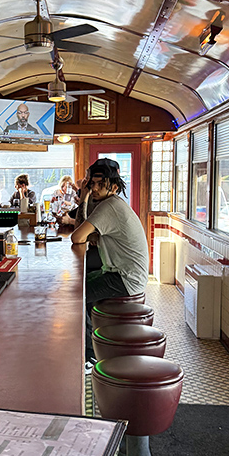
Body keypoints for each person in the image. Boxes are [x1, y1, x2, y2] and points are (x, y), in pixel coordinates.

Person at [71, 158, 149, 372]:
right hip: (120, 274)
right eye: (92, 183)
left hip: (125, 278)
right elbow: (84, 234)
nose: (94, 188)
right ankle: (89, 349)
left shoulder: (110, 206)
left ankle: (88, 357)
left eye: (100, 184)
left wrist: (84, 198)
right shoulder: (108, 204)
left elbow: (77, 237)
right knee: (79, 287)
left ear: (114, 187)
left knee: (76, 296)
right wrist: (85, 197)